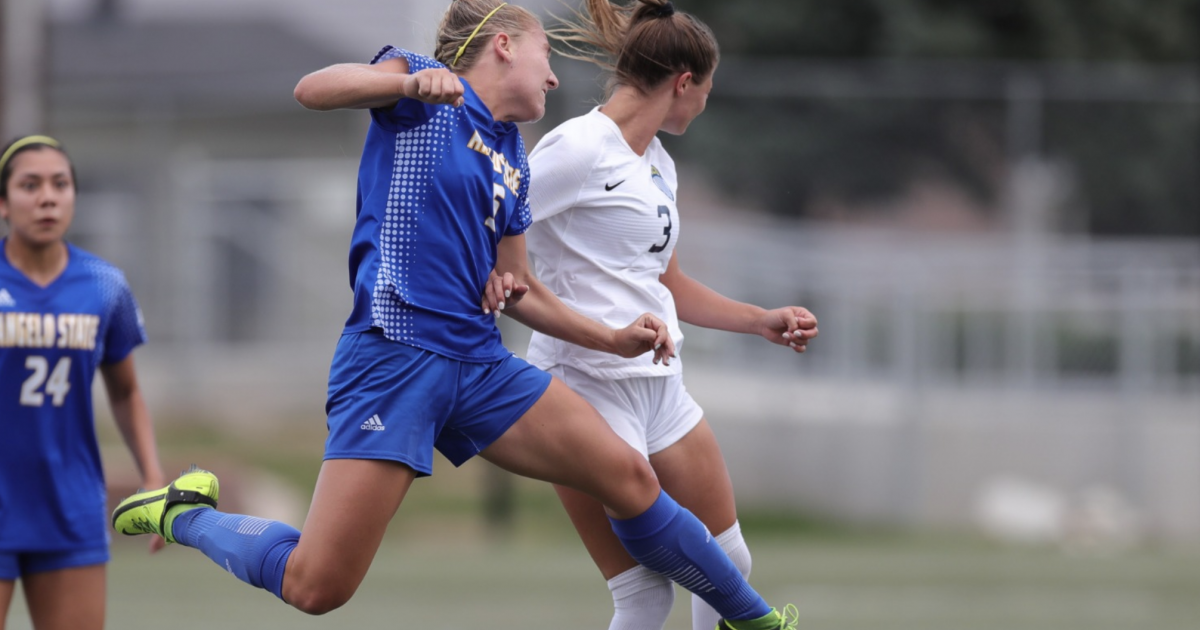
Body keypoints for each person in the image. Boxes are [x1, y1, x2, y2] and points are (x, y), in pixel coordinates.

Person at [111, 2, 799, 628]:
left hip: (480, 364)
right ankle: (186, 516)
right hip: (394, 358)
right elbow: (312, 89)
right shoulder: (421, 89)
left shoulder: (513, 159)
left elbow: (519, 282)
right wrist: (404, 84)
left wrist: (610, 338)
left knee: (630, 477)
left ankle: (756, 620)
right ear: (502, 46)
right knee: (318, 586)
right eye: (545, 59)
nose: (555, 81)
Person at [483, 2, 819, 629]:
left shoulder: (658, 164)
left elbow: (667, 281)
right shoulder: (578, 148)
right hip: (583, 385)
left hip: (659, 386)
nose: (705, 103)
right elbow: (494, 236)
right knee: (643, 594)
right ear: (683, 83)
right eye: (708, 90)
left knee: (731, 560)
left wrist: (758, 319)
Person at [0, 135, 167, 630]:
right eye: (29, 185)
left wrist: (153, 479)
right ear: (4, 202)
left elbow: (125, 390)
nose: (47, 197)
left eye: (60, 184)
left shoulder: (103, 285)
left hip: (69, 507)